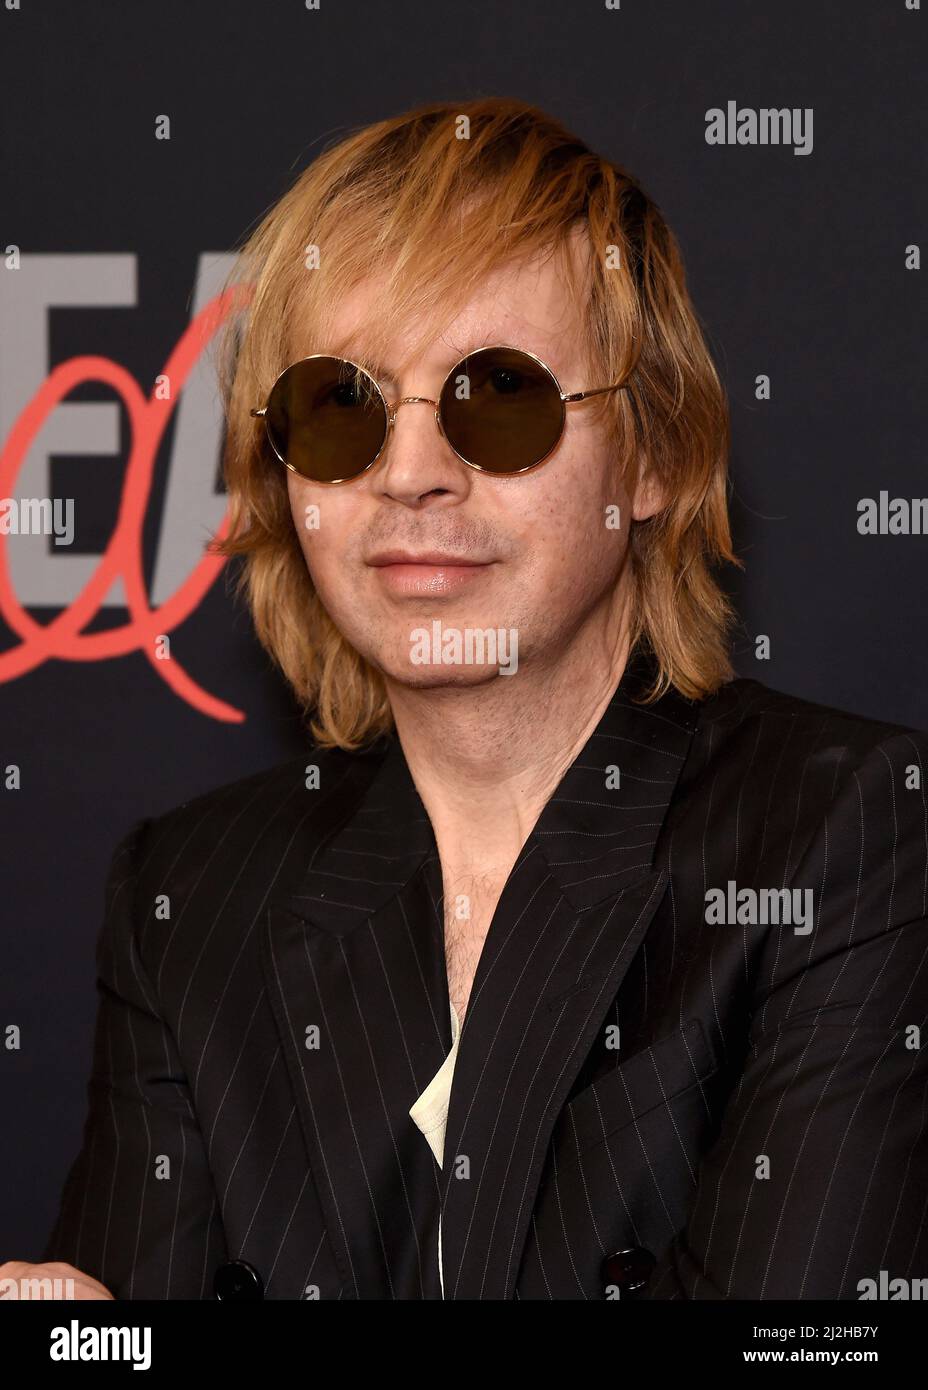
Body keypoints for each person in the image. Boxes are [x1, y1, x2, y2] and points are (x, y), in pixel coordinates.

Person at [8, 96, 928, 1301]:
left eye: (498, 394)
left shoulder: (847, 835)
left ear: (652, 457)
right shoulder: (190, 896)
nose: (410, 473)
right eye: (341, 405)